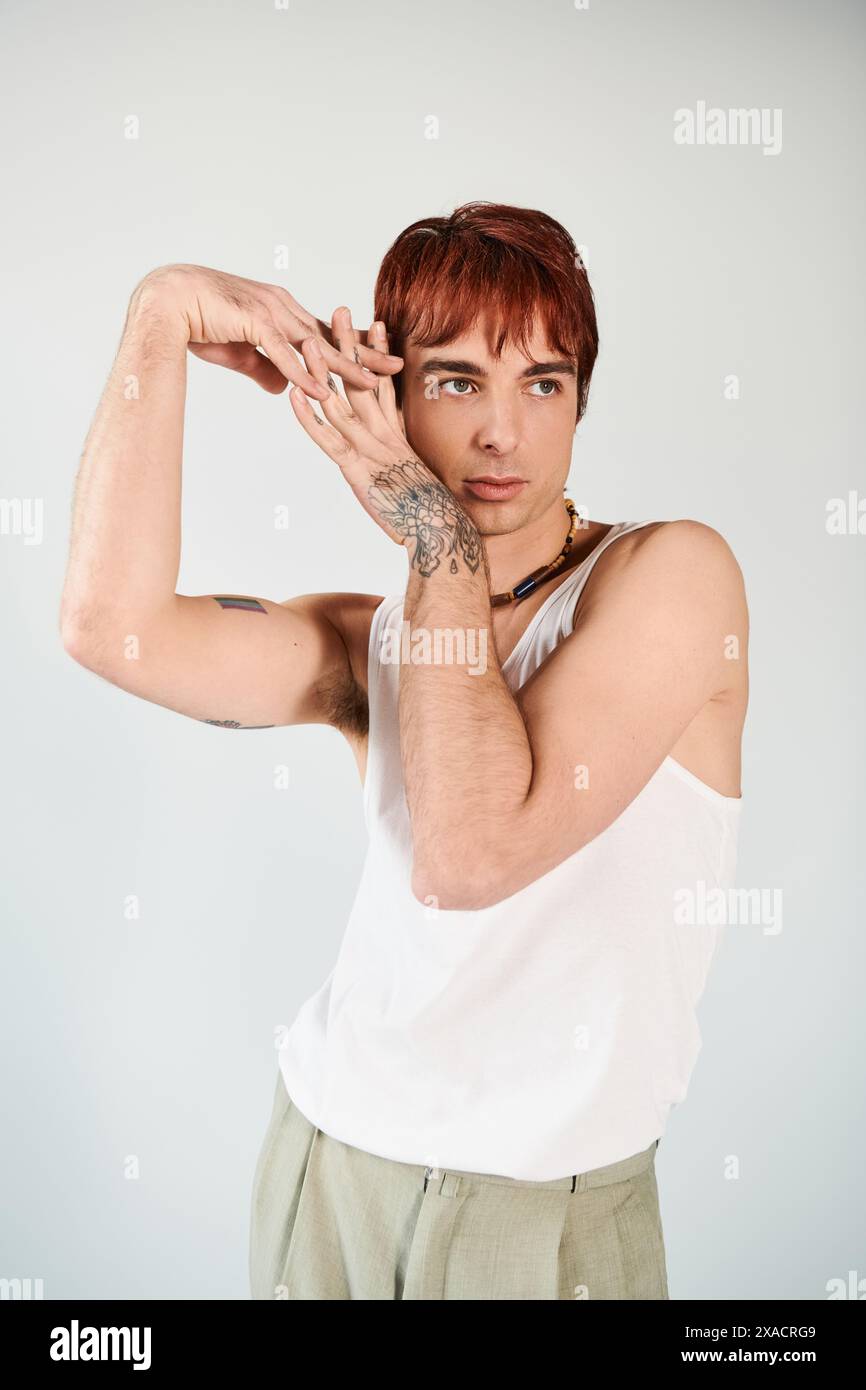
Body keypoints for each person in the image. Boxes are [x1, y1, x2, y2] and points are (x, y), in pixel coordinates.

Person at [61, 202, 748, 1301]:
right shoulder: (373, 638)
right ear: (386, 391)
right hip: (330, 1165)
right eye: (455, 379)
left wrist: (428, 526)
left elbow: (469, 855)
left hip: (541, 1216)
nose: (500, 434)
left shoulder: (670, 576)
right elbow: (111, 628)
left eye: (542, 382)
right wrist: (161, 314)